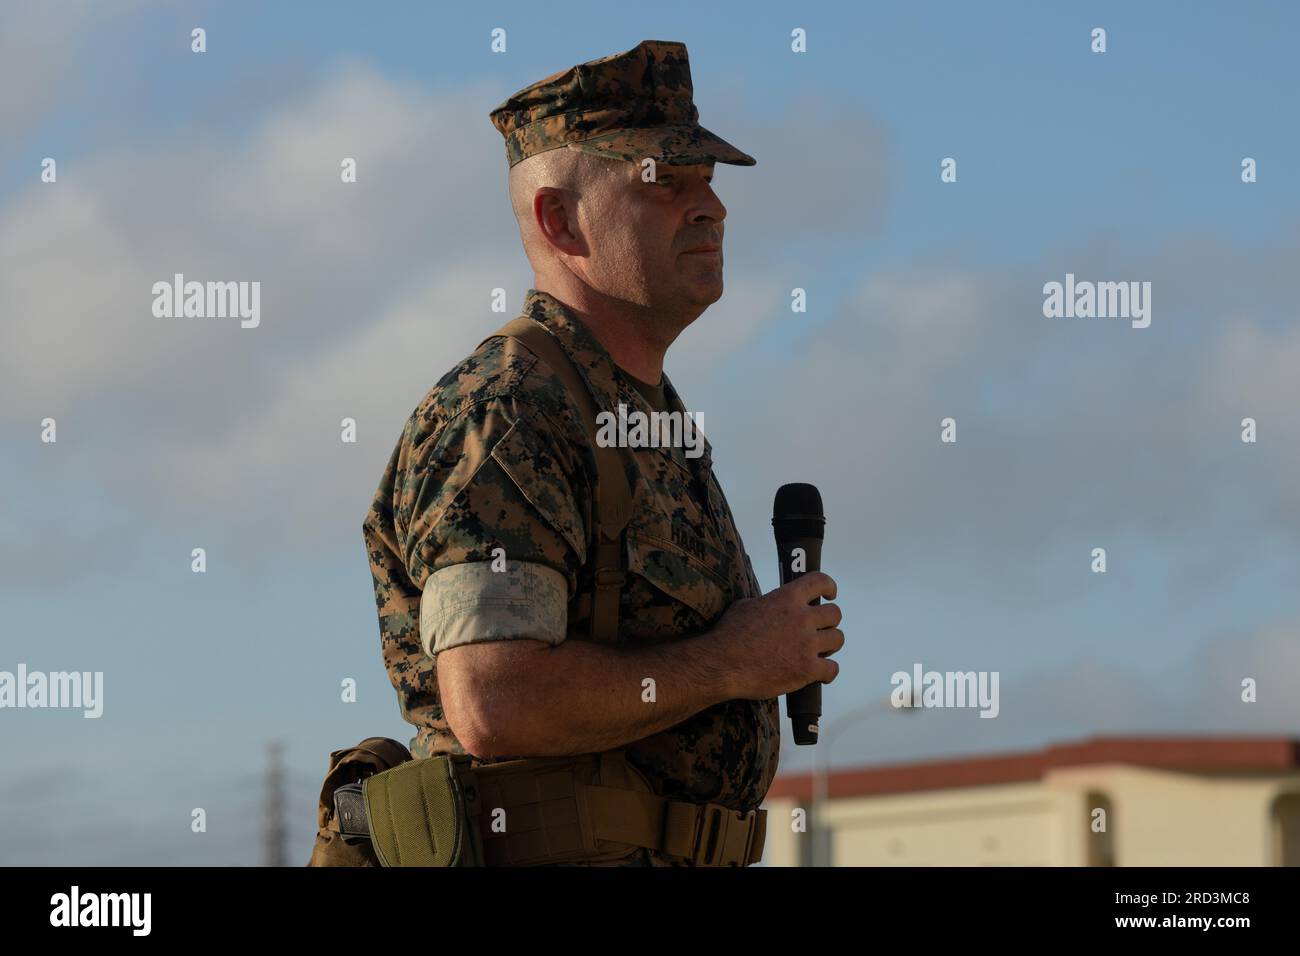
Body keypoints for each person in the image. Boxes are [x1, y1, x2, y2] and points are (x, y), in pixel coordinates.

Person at [362, 39, 843, 866]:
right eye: (665, 180)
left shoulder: (638, 410)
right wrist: (734, 661)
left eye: (710, 182)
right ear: (560, 220)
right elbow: (496, 701)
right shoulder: (508, 411)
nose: (710, 208)